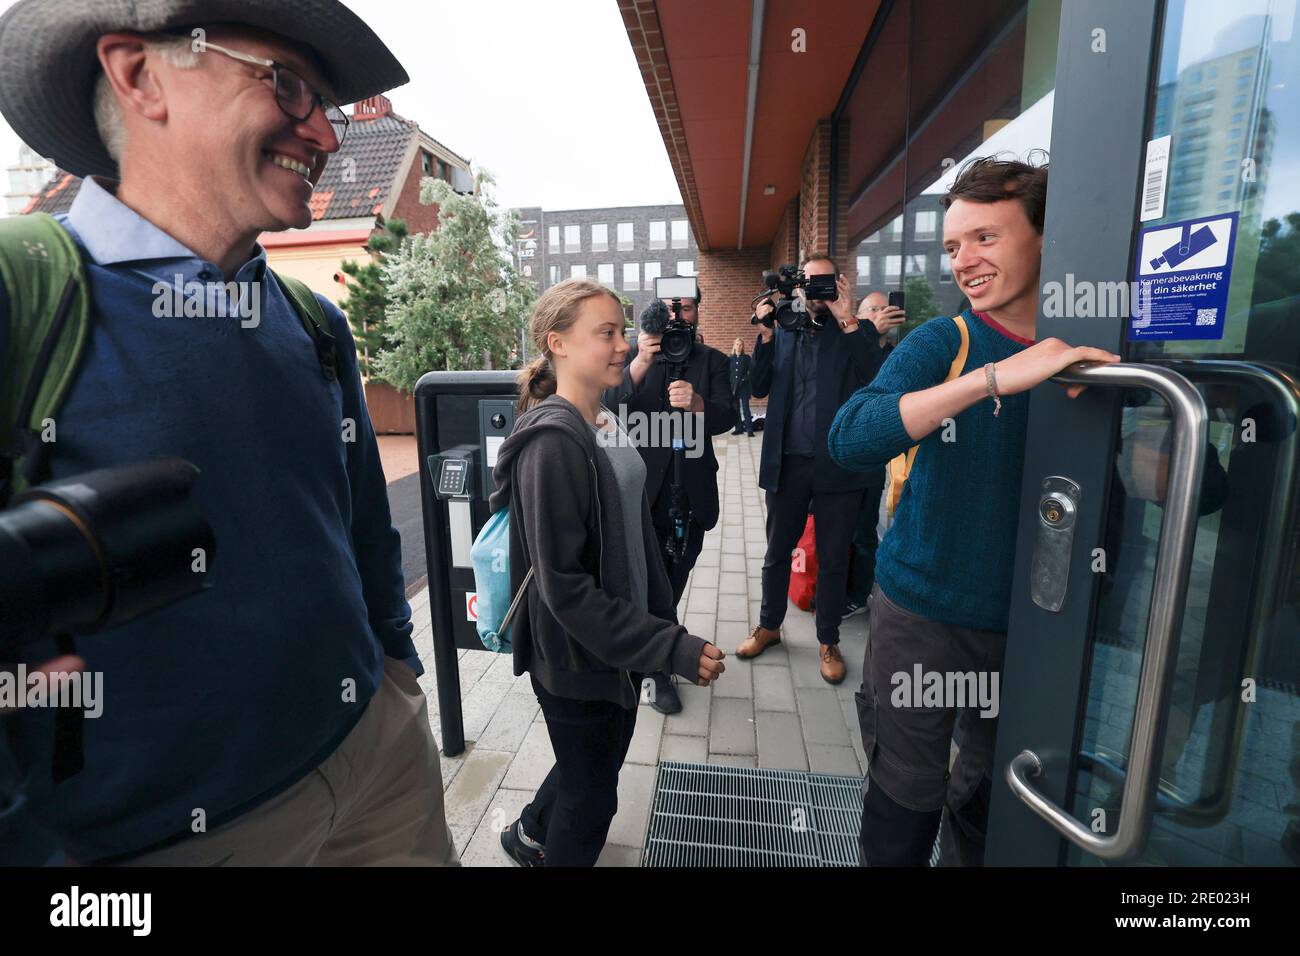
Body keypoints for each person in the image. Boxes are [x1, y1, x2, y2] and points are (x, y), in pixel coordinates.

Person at [0, 1, 459, 865]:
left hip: (380, 768)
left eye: (322, 102)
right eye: (287, 87)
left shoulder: (316, 321)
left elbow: (361, 529)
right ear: (141, 76)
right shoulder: (19, 292)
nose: (323, 133)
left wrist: (396, 676)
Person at [828, 157, 1122, 866]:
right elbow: (851, 437)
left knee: (992, 803)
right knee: (904, 801)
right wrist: (991, 380)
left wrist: (1147, 449)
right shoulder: (948, 342)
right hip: (923, 616)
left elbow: (1197, 487)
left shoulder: (1100, 350)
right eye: (954, 246)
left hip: (1036, 626)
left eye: (984, 238)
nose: (965, 261)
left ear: (1046, 238)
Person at [493, 278, 725, 866]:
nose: (624, 344)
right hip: (577, 660)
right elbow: (564, 588)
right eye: (607, 333)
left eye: (623, 331)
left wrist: (656, 626)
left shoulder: (601, 416)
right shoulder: (553, 443)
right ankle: (546, 841)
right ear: (558, 343)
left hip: (614, 651)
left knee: (588, 767)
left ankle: (527, 834)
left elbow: (631, 529)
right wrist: (667, 645)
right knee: (593, 798)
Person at [738, 254, 886, 684]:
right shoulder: (784, 328)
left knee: (835, 557)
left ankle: (828, 639)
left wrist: (849, 320)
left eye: (826, 283)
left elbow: (877, 380)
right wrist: (765, 335)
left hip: (838, 465)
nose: (817, 291)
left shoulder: (855, 332)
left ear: (839, 284)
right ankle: (769, 626)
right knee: (776, 553)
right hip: (787, 464)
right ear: (799, 285)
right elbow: (759, 387)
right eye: (811, 283)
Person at [602, 282, 734, 715]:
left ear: (699, 311)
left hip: (692, 490)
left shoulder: (712, 360)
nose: (680, 317)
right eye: (671, 308)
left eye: (688, 308)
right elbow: (609, 406)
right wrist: (640, 359)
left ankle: (659, 646)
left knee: (674, 578)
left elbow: (728, 416)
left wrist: (697, 405)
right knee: (652, 580)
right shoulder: (636, 358)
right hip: (644, 492)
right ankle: (659, 664)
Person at [842, 292, 907, 618]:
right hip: (840, 455)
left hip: (870, 460)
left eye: (886, 308)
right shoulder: (850, 346)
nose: (881, 314)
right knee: (838, 531)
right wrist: (865, 330)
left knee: (864, 532)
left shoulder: (896, 356)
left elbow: (885, 388)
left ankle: (859, 594)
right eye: (873, 310)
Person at [729, 337, 755, 436]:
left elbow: (751, 372)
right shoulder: (730, 359)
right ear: (734, 346)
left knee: (746, 409)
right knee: (736, 409)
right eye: (737, 344)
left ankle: (749, 429)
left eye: (741, 345)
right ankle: (738, 428)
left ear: (743, 346)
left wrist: (744, 379)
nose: (739, 346)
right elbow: (728, 374)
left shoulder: (747, 358)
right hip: (734, 388)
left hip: (744, 387)